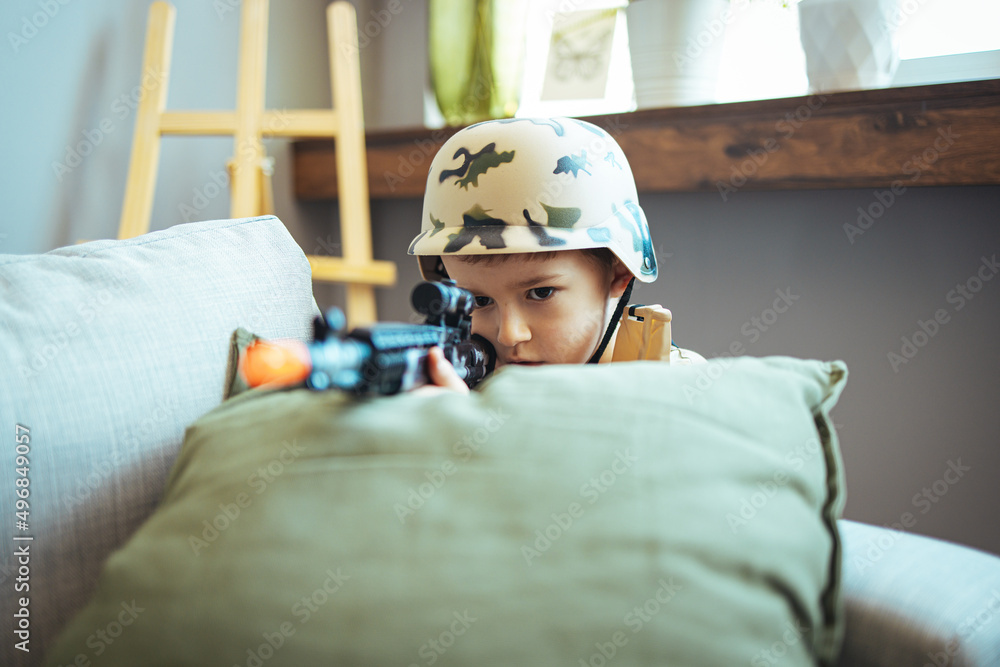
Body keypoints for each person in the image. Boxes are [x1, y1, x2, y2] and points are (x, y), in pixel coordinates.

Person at [409, 117, 704, 393]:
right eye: (478, 301)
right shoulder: (462, 387)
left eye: (541, 292)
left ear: (619, 273)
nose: (509, 335)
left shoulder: (678, 390)